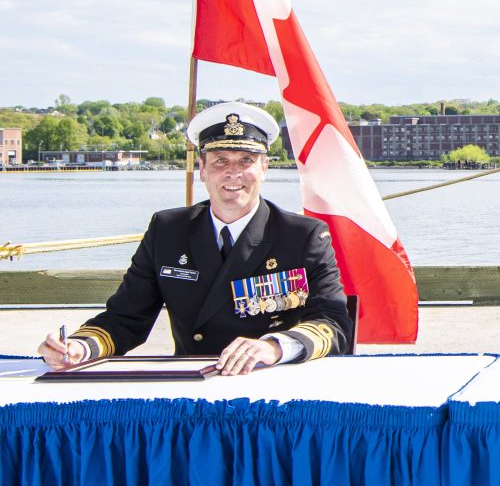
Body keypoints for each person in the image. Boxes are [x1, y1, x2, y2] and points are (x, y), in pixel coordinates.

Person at [38, 102, 352, 375]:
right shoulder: (167, 230)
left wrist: (273, 347)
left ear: (265, 167)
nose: (233, 172)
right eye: (220, 160)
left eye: (246, 160)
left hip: (270, 381)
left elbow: (333, 324)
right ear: (202, 169)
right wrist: (80, 347)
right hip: (192, 381)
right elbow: (126, 317)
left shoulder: (302, 236)